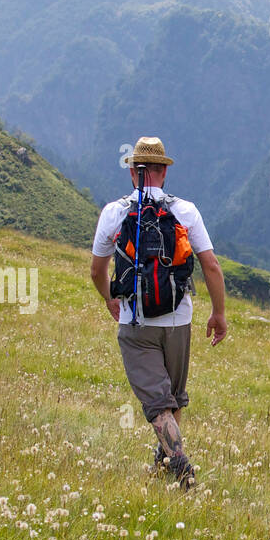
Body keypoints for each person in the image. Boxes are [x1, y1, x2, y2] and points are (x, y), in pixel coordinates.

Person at [89, 136, 228, 489]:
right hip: (178, 319)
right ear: (163, 172)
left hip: (135, 321)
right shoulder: (185, 211)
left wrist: (110, 299)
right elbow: (210, 266)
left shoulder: (115, 213)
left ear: (132, 174)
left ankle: (178, 465)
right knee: (172, 399)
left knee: (158, 403)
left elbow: (96, 270)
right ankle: (168, 461)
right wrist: (218, 313)